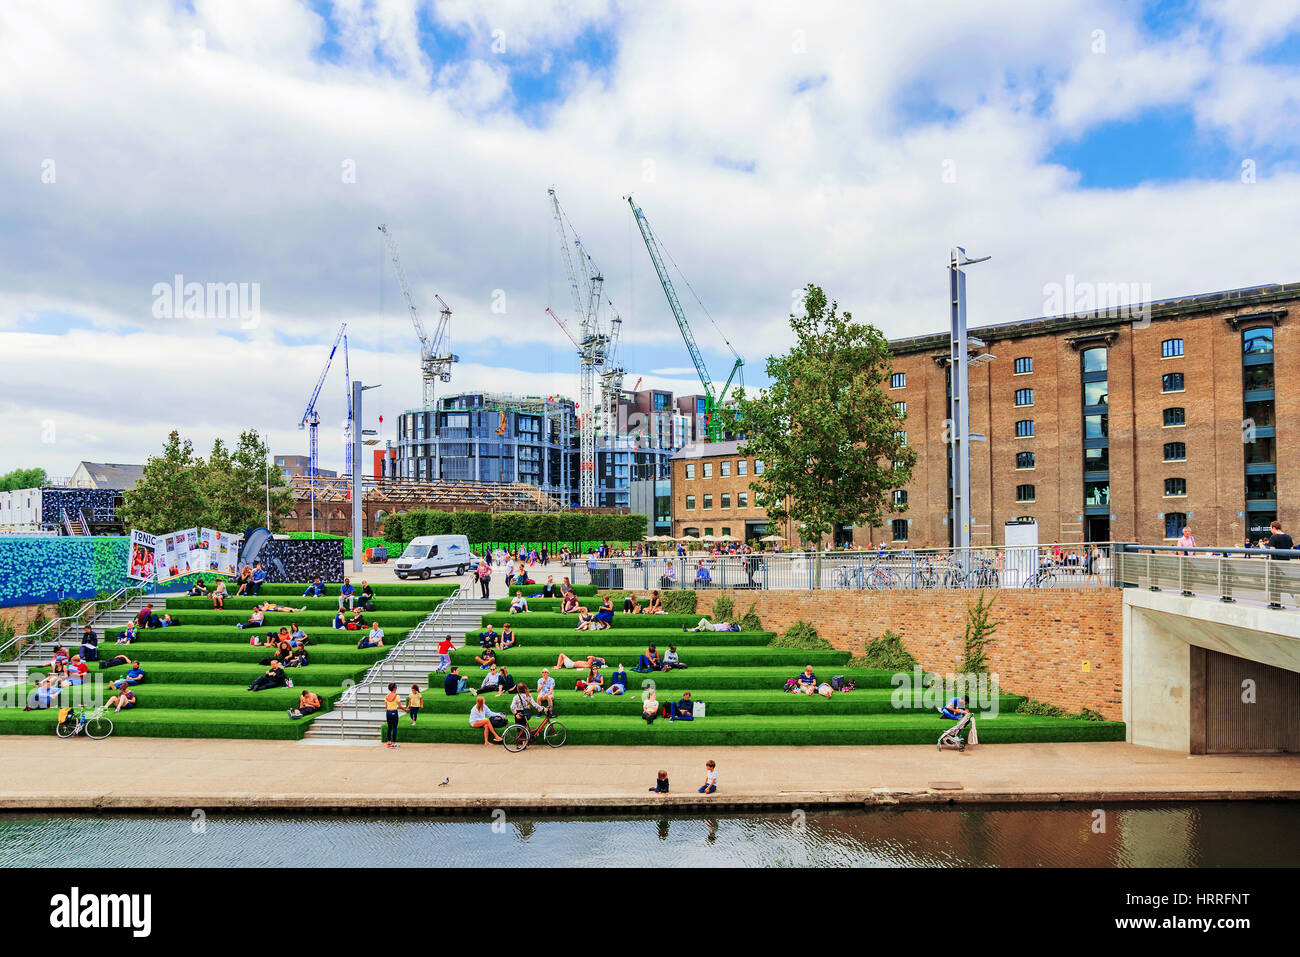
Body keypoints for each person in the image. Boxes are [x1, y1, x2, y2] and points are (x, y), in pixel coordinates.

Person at [383, 682, 407, 748]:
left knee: (389, 727)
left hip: (388, 712)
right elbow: (400, 706)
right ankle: (393, 743)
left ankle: (388, 742)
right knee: (394, 728)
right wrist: (405, 710)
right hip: (394, 712)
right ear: (394, 688)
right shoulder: (397, 696)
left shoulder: (386, 696)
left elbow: (386, 706)